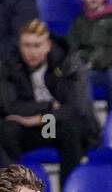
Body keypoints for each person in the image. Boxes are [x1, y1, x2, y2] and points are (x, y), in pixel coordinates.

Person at [0, 21, 101, 183]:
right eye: (26, 45)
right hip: (29, 127)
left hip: (52, 126)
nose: (31, 52)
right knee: (6, 129)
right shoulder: (10, 65)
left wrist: (41, 118)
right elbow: (10, 106)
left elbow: (75, 108)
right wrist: (46, 106)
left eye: (37, 45)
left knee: (70, 128)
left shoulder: (68, 63)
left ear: (47, 45)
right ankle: (13, 190)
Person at [67, 0, 112, 103]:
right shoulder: (79, 21)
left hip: (108, 67)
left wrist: (93, 61)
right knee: (78, 77)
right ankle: (87, 119)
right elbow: (71, 46)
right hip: (87, 68)